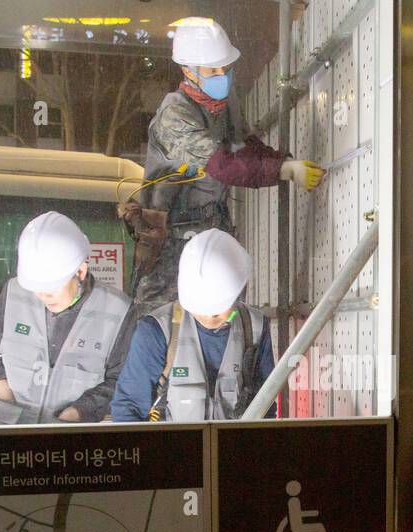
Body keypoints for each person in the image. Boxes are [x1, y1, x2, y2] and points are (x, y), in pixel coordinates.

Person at [123, 16, 323, 315]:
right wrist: (284, 171)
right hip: (169, 238)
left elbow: (246, 145)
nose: (221, 76)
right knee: (157, 318)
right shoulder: (174, 115)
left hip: (212, 223)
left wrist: (283, 161)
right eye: (211, 70)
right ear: (187, 70)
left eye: (225, 69)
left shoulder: (224, 104)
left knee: (223, 311)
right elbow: (224, 165)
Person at [0, 211, 132, 424]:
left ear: (80, 271)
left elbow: (120, 379)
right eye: (36, 287)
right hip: (9, 430)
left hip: (70, 438)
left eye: (51, 287)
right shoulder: (14, 291)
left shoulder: (118, 309)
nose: (42, 295)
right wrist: (1, 388)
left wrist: (77, 412)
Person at [111, 229, 275, 422]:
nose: (209, 317)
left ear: (238, 292)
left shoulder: (255, 328)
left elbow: (266, 406)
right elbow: (128, 410)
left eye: (217, 310)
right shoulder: (157, 331)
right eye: (201, 309)